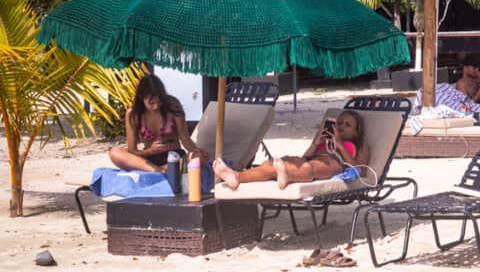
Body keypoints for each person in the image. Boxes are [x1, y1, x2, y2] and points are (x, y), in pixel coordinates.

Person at [214, 110, 369, 190]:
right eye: (339, 123)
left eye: (347, 125)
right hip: (312, 160)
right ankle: (236, 177)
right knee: (274, 164)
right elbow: (304, 158)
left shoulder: (358, 144)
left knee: (309, 168)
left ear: (357, 132)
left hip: (334, 164)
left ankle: (286, 175)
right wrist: (316, 144)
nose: (341, 127)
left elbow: (360, 171)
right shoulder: (326, 140)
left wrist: (340, 145)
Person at [109, 74, 208, 172]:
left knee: (199, 156)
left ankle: (161, 170)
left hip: (175, 158)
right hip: (147, 160)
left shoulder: (172, 105)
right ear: (141, 97)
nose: (156, 107)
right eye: (151, 103)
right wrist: (150, 151)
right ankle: (159, 170)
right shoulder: (133, 114)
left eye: (159, 102)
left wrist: (196, 151)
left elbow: (185, 138)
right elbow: (132, 150)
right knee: (114, 152)